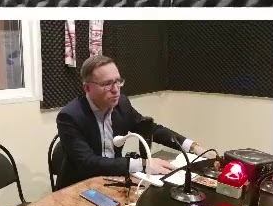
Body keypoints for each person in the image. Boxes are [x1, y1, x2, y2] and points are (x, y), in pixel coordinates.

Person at [55, 54, 202, 190]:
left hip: (114, 179)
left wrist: (192, 146)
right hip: (78, 187)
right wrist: (142, 164)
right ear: (87, 88)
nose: (116, 90)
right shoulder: (69, 116)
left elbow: (150, 129)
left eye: (118, 81)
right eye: (107, 84)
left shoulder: (122, 104)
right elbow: (87, 163)